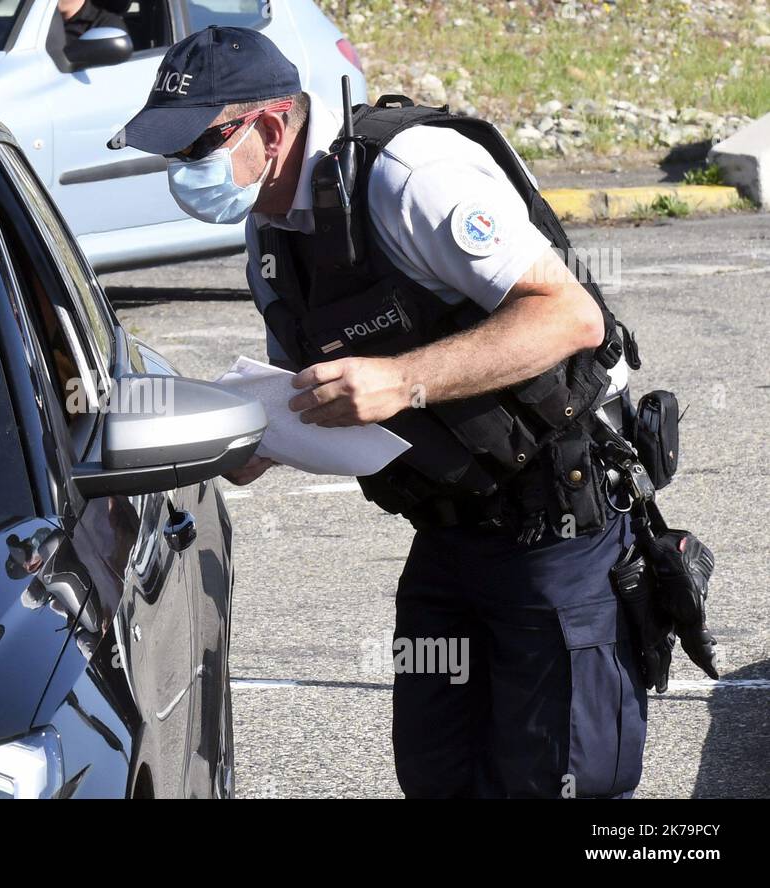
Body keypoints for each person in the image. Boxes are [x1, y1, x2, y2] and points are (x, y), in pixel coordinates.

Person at [111, 26, 652, 798]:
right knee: (436, 770)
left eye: (193, 147)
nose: (179, 171)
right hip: (448, 531)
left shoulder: (410, 175)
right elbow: (309, 386)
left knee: (557, 779)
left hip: (557, 529)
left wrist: (405, 381)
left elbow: (570, 318)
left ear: (268, 128)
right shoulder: (273, 228)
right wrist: (247, 436)